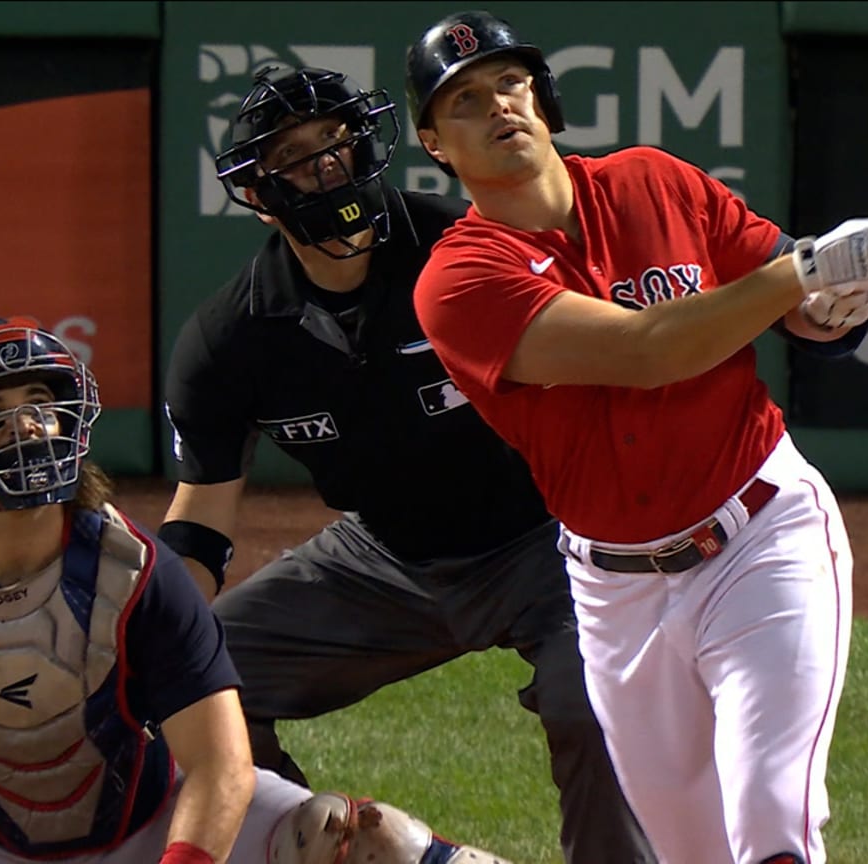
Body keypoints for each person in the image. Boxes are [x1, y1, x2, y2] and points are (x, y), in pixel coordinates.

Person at [404, 11, 868, 864]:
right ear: (435, 144)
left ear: (543, 97)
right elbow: (647, 353)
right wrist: (805, 272)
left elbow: (787, 292)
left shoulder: (654, 181)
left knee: (772, 826)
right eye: (464, 101)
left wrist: (832, 307)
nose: (499, 106)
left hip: (762, 537)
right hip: (616, 596)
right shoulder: (458, 281)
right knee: (695, 854)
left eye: (510, 82)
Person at [160, 66, 655, 864]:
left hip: (547, 541)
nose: (325, 165)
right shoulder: (230, 338)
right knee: (185, 687)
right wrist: (159, 631)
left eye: (336, 141)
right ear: (257, 189)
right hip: (381, 559)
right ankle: (332, 849)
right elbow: (200, 523)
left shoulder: (467, 253)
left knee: (592, 702)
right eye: (295, 154)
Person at [0, 316, 514, 864]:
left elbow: (223, 761)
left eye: (38, 405)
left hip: (150, 814)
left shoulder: (135, 570)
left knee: (356, 839)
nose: (23, 426)